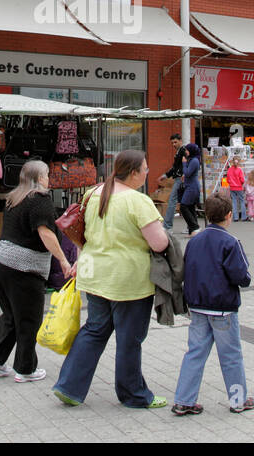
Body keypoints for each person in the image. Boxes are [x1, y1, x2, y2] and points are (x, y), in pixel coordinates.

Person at [52, 149, 170, 409]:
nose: (148, 172)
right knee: (129, 339)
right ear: (135, 172)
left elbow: (82, 233)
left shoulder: (93, 193)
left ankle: (69, 387)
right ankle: (134, 395)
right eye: (145, 168)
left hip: (95, 274)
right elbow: (159, 243)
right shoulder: (138, 202)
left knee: (94, 330)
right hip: (128, 280)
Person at [0, 159, 75, 383]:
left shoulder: (14, 197)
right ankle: (25, 369)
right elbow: (46, 233)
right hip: (23, 267)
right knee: (29, 319)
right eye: (47, 174)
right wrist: (62, 260)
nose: (49, 179)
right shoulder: (39, 200)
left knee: (12, 314)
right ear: (39, 178)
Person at [172, 195, 254, 416]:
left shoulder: (195, 241)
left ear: (206, 214)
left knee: (195, 352)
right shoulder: (231, 242)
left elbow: (186, 269)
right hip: (222, 307)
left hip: (198, 305)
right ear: (229, 216)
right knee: (231, 355)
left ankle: (183, 400)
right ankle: (238, 400)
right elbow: (242, 276)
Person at [159, 133, 185, 230]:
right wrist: (166, 175)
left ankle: (167, 225)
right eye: (172, 143)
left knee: (172, 201)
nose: (173, 144)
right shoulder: (179, 152)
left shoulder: (183, 151)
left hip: (180, 179)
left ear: (180, 141)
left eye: (175, 142)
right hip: (180, 178)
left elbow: (188, 163)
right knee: (186, 204)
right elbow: (175, 167)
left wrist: (184, 173)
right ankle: (192, 226)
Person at [176, 143, 202, 235]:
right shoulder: (192, 160)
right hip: (190, 186)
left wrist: (184, 163)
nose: (186, 152)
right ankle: (193, 229)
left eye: (187, 150)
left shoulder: (194, 160)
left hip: (192, 187)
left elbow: (187, 173)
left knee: (184, 206)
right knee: (190, 207)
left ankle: (194, 226)